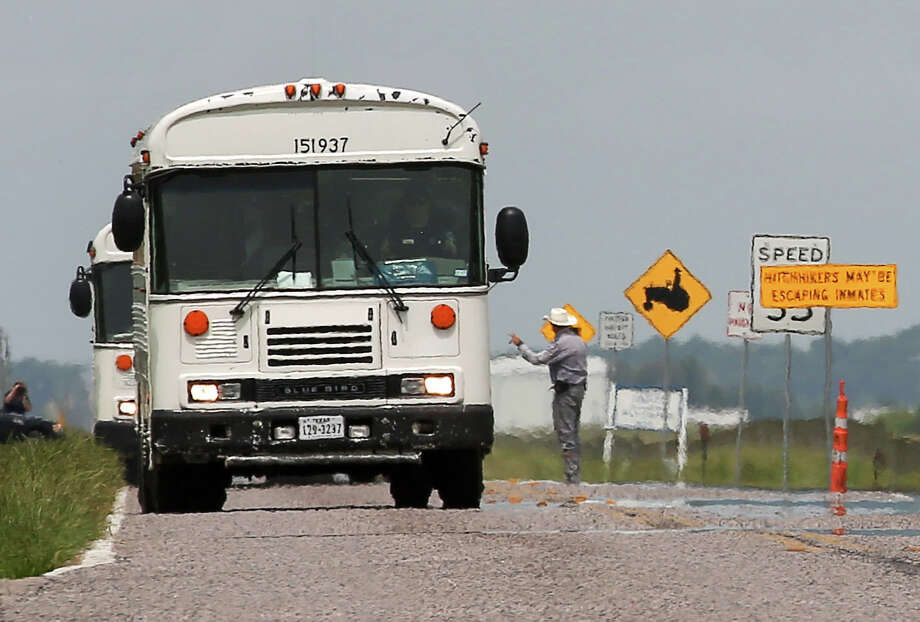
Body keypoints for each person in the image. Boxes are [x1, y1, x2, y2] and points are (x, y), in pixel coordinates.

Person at [509, 308, 588, 485]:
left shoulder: (562, 344)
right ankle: (574, 473)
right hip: (578, 389)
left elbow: (537, 359)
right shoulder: (579, 341)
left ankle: (572, 476)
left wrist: (521, 345)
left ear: (554, 325)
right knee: (573, 432)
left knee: (566, 433)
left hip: (566, 391)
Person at [380, 193, 457, 260]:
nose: (416, 207)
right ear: (404, 206)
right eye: (412, 203)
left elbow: (452, 257)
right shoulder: (394, 233)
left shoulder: (441, 233)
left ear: (429, 205)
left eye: (421, 203)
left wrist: (450, 248)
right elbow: (385, 257)